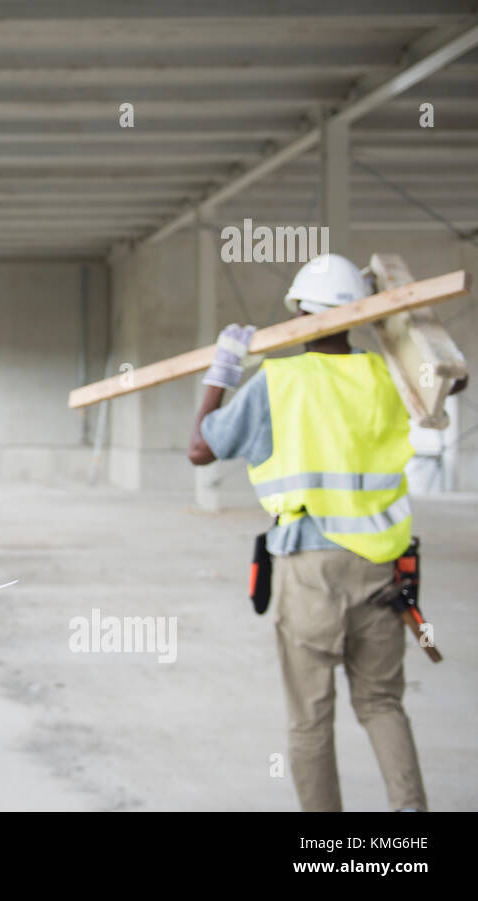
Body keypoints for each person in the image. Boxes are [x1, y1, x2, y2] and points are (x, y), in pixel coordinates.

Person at [185, 252, 464, 812]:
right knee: (383, 702)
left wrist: (221, 372)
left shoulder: (277, 382)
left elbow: (200, 448)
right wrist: (403, 323)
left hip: (308, 570)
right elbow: (449, 380)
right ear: (358, 315)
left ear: (299, 312)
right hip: (382, 568)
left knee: (310, 717)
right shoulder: (390, 377)